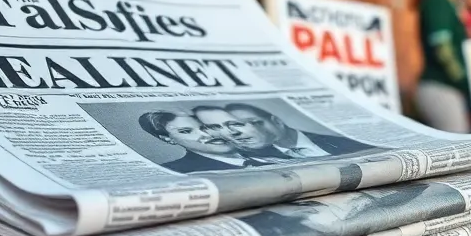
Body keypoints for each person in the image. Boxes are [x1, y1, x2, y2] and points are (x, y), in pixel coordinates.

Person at [410, 0, 471, 133]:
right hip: (439, 88)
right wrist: (465, 81)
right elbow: (442, 48)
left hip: (448, 89)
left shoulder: (448, 0)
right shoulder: (437, 0)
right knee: (458, 153)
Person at [138, 110, 277, 173]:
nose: (206, 134)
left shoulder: (272, 149)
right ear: (167, 139)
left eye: (206, 127)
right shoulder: (176, 171)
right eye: (186, 131)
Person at [223, 103, 370, 158]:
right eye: (233, 127)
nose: (246, 131)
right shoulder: (257, 160)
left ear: (277, 121)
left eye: (252, 122)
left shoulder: (343, 139)